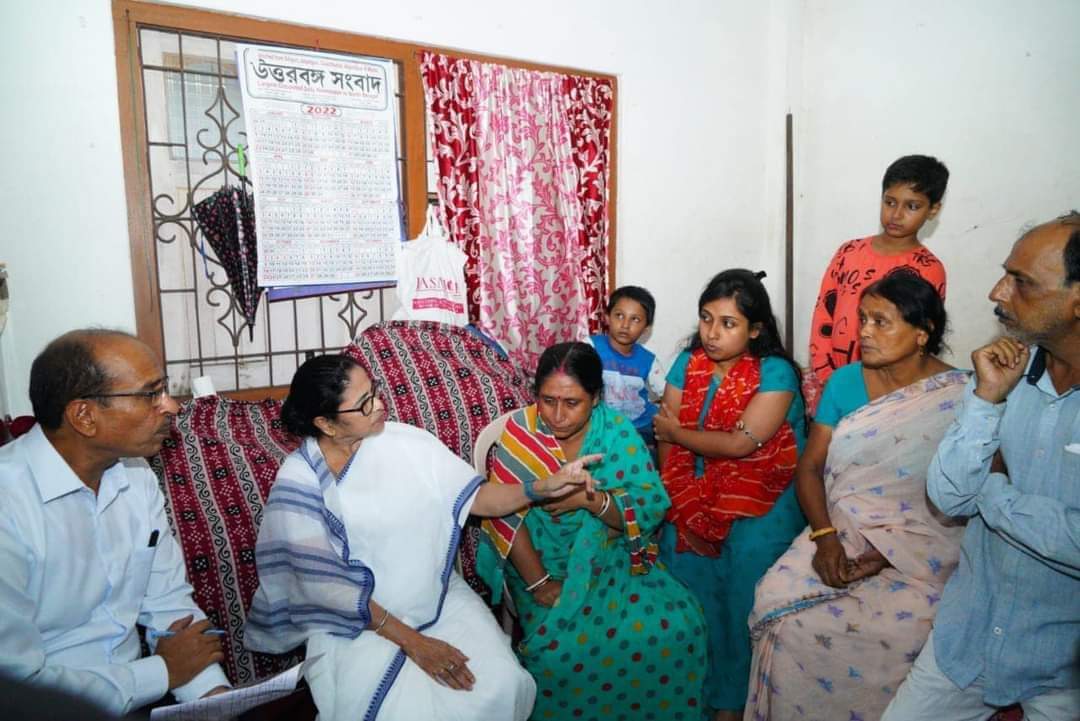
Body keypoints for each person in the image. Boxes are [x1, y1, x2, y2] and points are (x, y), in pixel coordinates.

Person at [244, 354, 597, 721]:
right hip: (355, 623)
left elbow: (481, 498)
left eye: (375, 391)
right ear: (327, 424)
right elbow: (325, 590)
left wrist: (543, 487)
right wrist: (416, 644)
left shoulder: (405, 442)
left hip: (437, 598)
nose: (379, 405)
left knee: (502, 685)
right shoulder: (298, 482)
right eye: (364, 403)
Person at [882, 213, 1080, 721]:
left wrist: (994, 496)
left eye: (1022, 281)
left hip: (1063, 661)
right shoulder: (1006, 373)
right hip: (967, 636)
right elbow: (949, 495)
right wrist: (987, 398)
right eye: (1005, 273)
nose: (998, 292)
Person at [745, 270, 968, 721]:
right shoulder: (846, 383)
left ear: (922, 333)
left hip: (921, 548)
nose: (864, 331)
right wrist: (825, 537)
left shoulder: (959, 396)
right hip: (842, 528)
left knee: (900, 633)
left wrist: (887, 554)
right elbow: (810, 467)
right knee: (776, 603)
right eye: (862, 318)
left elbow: (966, 494)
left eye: (881, 322)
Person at [0, 330, 229, 716]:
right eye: (150, 394)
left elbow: (169, 606)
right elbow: (15, 682)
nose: (172, 406)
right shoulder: (9, 505)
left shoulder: (137, 477)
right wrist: (161, 672)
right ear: (84, 416)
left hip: (143, 698)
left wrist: (217, 700)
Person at [476, 342, 707, 721]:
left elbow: (649, 504)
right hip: (538, 560)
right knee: (563, 653)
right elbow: (505, 516)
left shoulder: (616, 432)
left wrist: (591, 502)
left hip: (613, 556)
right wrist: (540, 584)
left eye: (572, 403)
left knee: (678, 627)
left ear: (595, 398)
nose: (557, 415)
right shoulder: (523, 431)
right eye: (547, 400)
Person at [653, 269, 807, 721]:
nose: (712, 333)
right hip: (693, 488)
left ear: (755, 329)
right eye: (706, 319)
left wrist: (678, 432)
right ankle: (693, 697)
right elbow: (666, 438)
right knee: (687, 587)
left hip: (760, 495)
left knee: (745, 594)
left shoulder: (775, 371)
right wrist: (680, 499)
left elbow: (743, 445)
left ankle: (736, 705)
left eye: (728, 323)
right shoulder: (689, 361)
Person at [807, 154, 950, 407]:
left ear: (933, 209)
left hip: (889, 391)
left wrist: (891, 389)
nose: (896, 214)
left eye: (912, 206)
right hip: (834, 380)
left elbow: (921, 335)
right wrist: (826, 376)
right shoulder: (848, 253)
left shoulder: (928, 269)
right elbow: (824, 315)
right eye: (889, 202)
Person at [588, 285, 667, 448]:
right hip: (600, 424)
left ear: (646, 328)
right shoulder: (591, 346)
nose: (625, 325)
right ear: (607, 317)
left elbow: (668, 394)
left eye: (635, 319)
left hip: (640, 425)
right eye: (619, 316)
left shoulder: (649, 360)